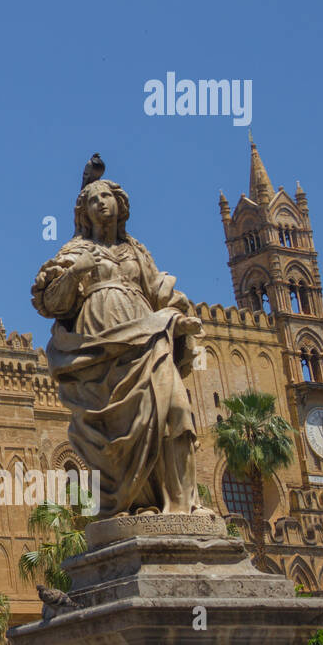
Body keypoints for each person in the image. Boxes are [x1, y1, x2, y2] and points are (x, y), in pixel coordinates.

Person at [31, 174, 208, 517]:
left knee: (174, 409)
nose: (101, 202)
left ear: (120, 204)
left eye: (106, 196)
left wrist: (180, 314)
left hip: (149, 338)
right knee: (122, 428)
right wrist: (74, 272)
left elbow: (158, 289)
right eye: (93, 198)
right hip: (99, 350)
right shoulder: (76, 252)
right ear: (83, 212)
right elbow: (50, 302)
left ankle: (182, 503)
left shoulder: (136, 251)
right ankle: (138, 502)